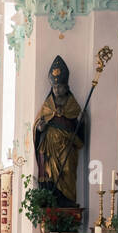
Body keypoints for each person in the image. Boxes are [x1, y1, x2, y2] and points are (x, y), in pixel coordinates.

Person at [34, 56, 84, 206]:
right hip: (50, 146)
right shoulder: (47, 105)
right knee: (49, 173)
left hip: (67, 145)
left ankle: (67, 202)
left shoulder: (72, 105)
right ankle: (51, 201)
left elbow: (78, 125)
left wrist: (78, 124)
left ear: (66, 86)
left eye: (60, 87)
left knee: (67, 171)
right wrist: (40, 127)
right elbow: (38, 124)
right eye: (54, 87)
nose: (57, 90)